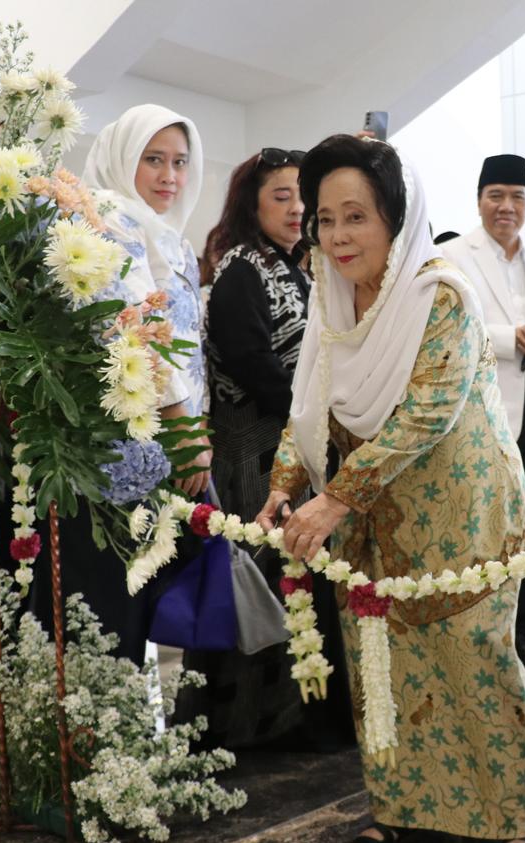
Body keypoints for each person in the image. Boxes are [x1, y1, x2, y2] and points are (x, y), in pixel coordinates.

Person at [256, 135, 525, 843]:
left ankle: (515, 818)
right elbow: (314, 397)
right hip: (367, 514)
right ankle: (398, 807)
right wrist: (286, 482)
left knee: (474, 660)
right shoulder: (332, 289)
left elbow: (429, 413)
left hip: (459, 504)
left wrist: (331, 500)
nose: (338, 235)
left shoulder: (438, 291)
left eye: (357, 216)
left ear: (396, 216)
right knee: (379, 662)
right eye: (325, 219)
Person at [173, 149, 354, 752]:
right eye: (282, 196)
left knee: (301, 579)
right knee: (262, 584)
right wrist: (311, 410)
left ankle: (300, 717)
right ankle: (245, 727)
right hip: (253, 449)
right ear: (251, 203)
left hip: (292, 445)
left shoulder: (300, 266)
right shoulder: (240, 268)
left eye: (304, 197)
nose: (297, 208)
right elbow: (251, 362)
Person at [49, 103, 211, 665]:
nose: (170, 176)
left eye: (180, 162)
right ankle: (105, 743)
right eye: (154, 160)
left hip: (164, 449)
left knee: (147, 605)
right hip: (125, 453)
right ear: (123, 159)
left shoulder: (168, 236)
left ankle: (134, 738)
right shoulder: (107, 223)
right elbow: (138, 330)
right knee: (114, 611)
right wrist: (186, 429)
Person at [442, 154, 525, 674]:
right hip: (480, 420)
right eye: (496, 195)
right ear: (479, 200)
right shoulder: (450, 255)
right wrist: (511, 339)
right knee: (480, 532)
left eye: (517, 196)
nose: (506, 206)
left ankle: (521, 637)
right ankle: (475, 640)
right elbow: (446, 330)